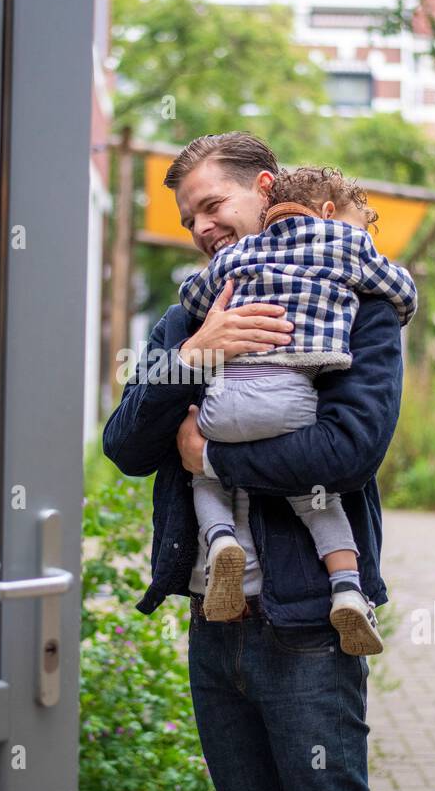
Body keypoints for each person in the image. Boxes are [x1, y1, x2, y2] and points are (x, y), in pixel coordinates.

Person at [102, 132, 405, 791]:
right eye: (188, 220)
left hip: (309, 628)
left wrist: (209, 455)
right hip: (215, 626)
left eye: (211, 205)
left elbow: (347, 453)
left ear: (265, 188)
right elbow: (124, 446)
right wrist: (192, 358)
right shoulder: (186, 318)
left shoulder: (357, 302)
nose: (200, 228)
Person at [177, 166, 416, 658]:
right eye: (359, 224)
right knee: (315, 497)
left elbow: (193, 298)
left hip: (226, 398)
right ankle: (347, 588)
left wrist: (202, 333)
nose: (202, 229)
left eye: (212, 206)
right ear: (329, 213)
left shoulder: (240, 256)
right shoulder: (346, 248)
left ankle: (222, 540)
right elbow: (399, 286)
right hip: (290, 396)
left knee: (203, 476)